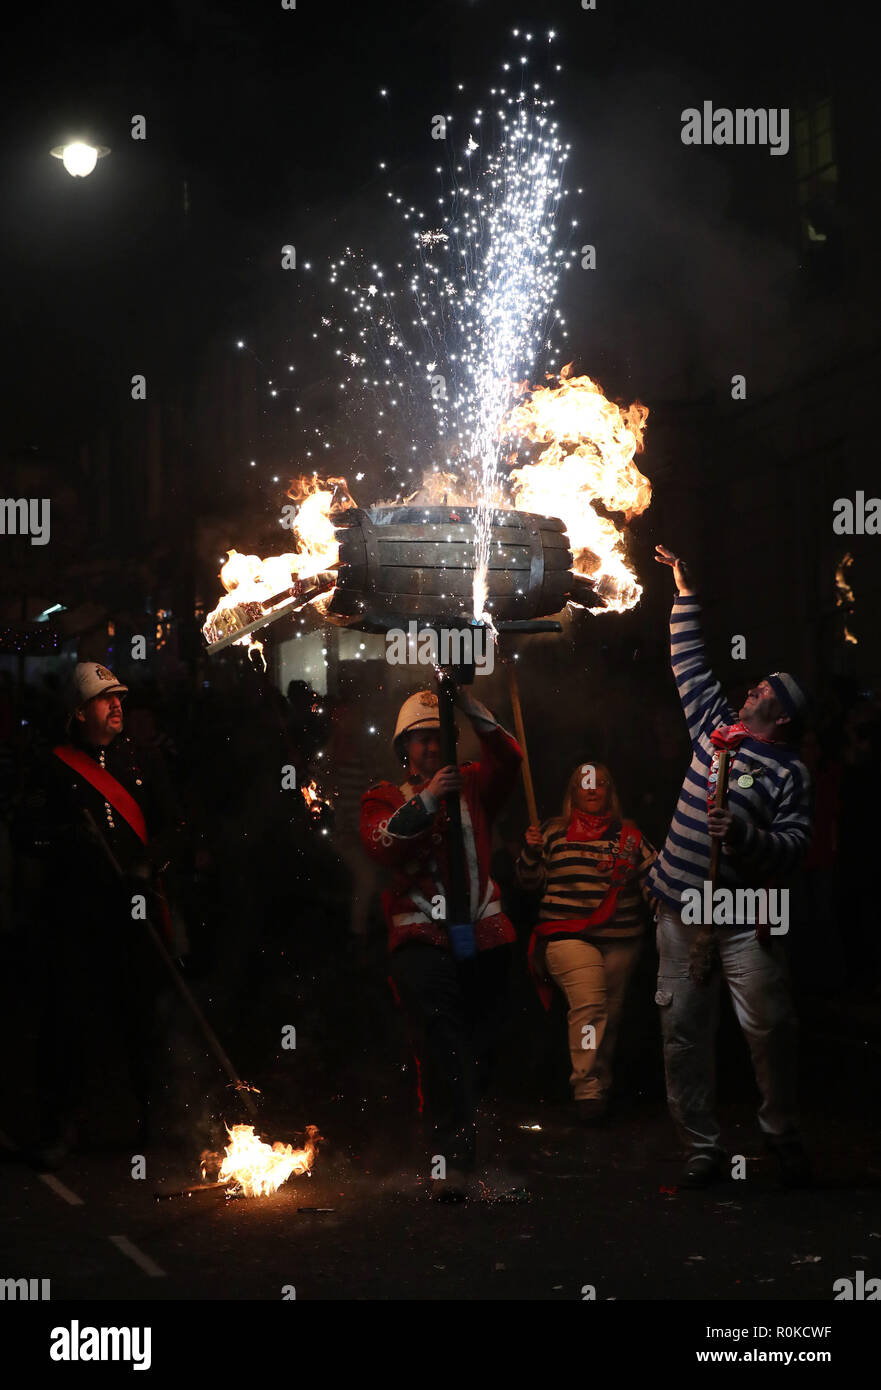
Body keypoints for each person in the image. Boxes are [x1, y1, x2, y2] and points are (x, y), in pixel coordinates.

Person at [649, 546, 813, 1188]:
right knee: (682, 1031)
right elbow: (687, 663)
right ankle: (701, 1145)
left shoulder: (790, 772)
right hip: (680, 909)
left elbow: (794, 847)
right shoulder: (713, 731)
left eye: (765, 688)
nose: (753, 688)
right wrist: (685, 591)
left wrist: (742, 834)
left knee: (769, 1026)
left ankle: (780, 1130)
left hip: (744, 916)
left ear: (784, 714)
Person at [360, 683, 521, 1199]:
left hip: (483, 936)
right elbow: (382, 841)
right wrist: (431, 799)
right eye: (421, 739)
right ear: (403, 749)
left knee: (483, 1046)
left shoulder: (475, 783)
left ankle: (473, 1148)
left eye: (439, 736)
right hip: (421, 940)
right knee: (443, 1042)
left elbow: (509, 756)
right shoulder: (383, 796)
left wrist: (466, 699)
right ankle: (447, 1159)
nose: (431, 747)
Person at [21, 662, 185, 1168]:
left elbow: (174, 827)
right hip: (77, 917)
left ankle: (149, 1121)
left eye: (119, 697)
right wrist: (74, 842)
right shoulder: (53, 768)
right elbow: (29, 835)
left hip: (132, 915)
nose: (117, 705)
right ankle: (63, 1125)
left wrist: (145, 862)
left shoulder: (141, 761)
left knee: (141, 1019)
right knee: (72, 1022)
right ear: (78, 711)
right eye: (103, 699)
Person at [517, 763, 655, 1123]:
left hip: (622, 940)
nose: (593, 790)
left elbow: (655, 883)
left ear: (610, 791)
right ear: (573, 792)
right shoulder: (551, 832)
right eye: (584, 784)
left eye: (600, 783)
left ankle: (600, 1085)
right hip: (567, 937)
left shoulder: (630, 837)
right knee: (591, 1005)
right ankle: (587, 1090)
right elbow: (528, 883)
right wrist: (530, 852)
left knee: (608, 1014)